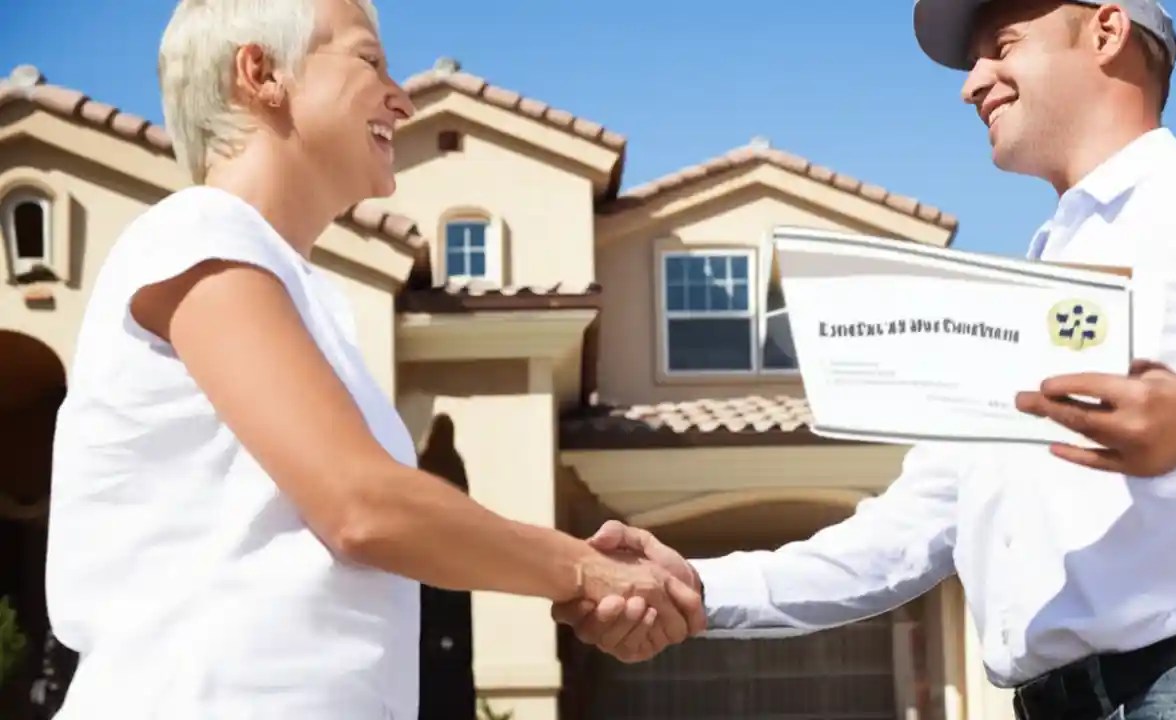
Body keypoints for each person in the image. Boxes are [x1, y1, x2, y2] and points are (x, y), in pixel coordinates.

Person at [554, 1, 1176, 718]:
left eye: (1003, 45)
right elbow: (901, 536)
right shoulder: (1022, 300)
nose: (972, 83)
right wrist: (695, 586)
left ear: (1107, 30)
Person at [43, 0, 700, 718]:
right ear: (261, 73)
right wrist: (582, 569)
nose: (401, 98)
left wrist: (590, 575)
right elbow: (362, 504)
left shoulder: (307, 297)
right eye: (369, 61)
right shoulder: (197, 232)